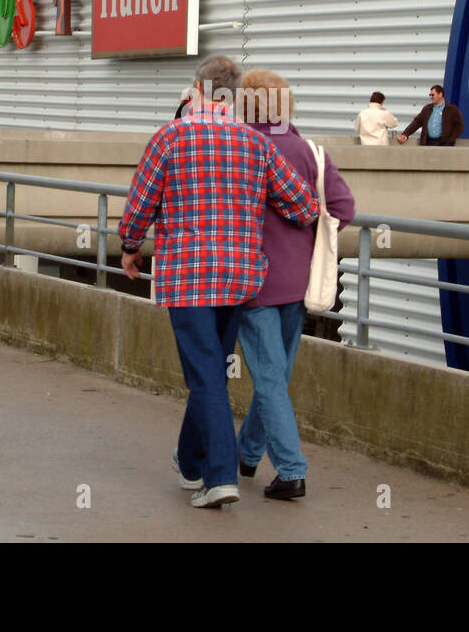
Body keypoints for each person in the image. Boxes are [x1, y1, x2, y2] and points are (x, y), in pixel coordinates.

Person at [118, 55, 319, 508]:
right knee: (211, 372)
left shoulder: (170, 137)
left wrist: (131, 246)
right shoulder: (255, 143)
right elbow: (303, 207)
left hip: (188, 277)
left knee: (205, 375)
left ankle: (219, 477)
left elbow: (141, 203)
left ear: (196, 89)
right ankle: (191, 465)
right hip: (240, 279)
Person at [236, 70, 355, 500]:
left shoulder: (240, 147)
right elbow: (343, 206)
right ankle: (246, 456)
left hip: (252, 283)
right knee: (275, 378)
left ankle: (291, 470)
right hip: (299, 283)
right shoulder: (311, 152)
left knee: (268, 379)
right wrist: (304, 237)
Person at [398, 84, 464, 146]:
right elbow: (416, 123)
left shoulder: (452, 109)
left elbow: (459, 127)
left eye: (433, 95)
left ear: (440, 95)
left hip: (444, 144)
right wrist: (405, 134)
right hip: (428, 142)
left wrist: (450, 140)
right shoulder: (427, 109)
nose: (431, 97)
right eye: (430, 95)